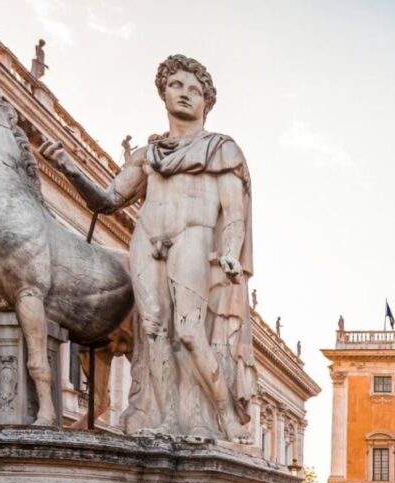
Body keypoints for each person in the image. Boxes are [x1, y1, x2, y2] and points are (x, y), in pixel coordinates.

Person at [42, 55, 255, 442]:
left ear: (207, 101)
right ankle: (166, 418)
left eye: (195, 90)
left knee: (189, 331)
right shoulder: (147, 155)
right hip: (147, 239)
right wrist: (69, 167)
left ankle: (221, 416)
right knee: (153, 330)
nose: (185, 94)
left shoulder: (221, 150)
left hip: (194, 236)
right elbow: (108, 201)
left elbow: (234, 212)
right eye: (176, 86)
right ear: (164, 93)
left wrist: (230, 251)